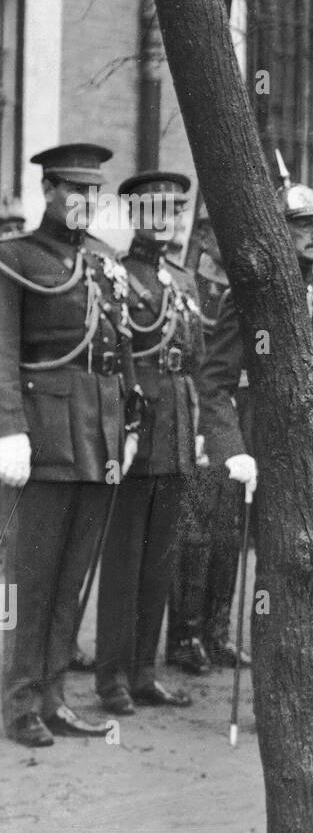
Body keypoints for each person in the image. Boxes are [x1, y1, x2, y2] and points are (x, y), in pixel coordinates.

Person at [198, 167, 313, 730]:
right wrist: (231, 448)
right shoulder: (253, 297)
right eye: (301, 225)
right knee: (285, 576)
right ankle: (284, 692)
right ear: (276, 230)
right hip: (282, 450)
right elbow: (214, 380)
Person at [0, 144, 141, 746]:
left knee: (74, 575)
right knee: (28, 576)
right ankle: (19, 700)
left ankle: (54, 695)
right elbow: (2, 352)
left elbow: (122, 350)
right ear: (50, 192)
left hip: (100, 434)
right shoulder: (16, 259)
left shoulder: (106, 263)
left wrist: (130, 423)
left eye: (94, 193)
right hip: (46, 432)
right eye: (75, 191)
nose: (85, 203)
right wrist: (9, 431)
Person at [95, 172, 203, 715]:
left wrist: (199, 429)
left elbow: (198, 361)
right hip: (139, 428)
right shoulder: (116, 275)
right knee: (124, 558)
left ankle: (144, 671)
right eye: (157, 211)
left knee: (160, 559)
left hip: (179, 427)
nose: (167, 221)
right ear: (135, 215)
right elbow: (116, 358)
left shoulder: (183, 281)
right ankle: (111, 676)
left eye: (174, 211)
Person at [165, 207, 245, 674]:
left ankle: (216, 632)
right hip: (192, 413)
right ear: (201, 234)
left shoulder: (236, 285)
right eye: (215, 231)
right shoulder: (187, 281)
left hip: (227, 415)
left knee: (227, 533)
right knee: (193, 535)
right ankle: (185, 635)